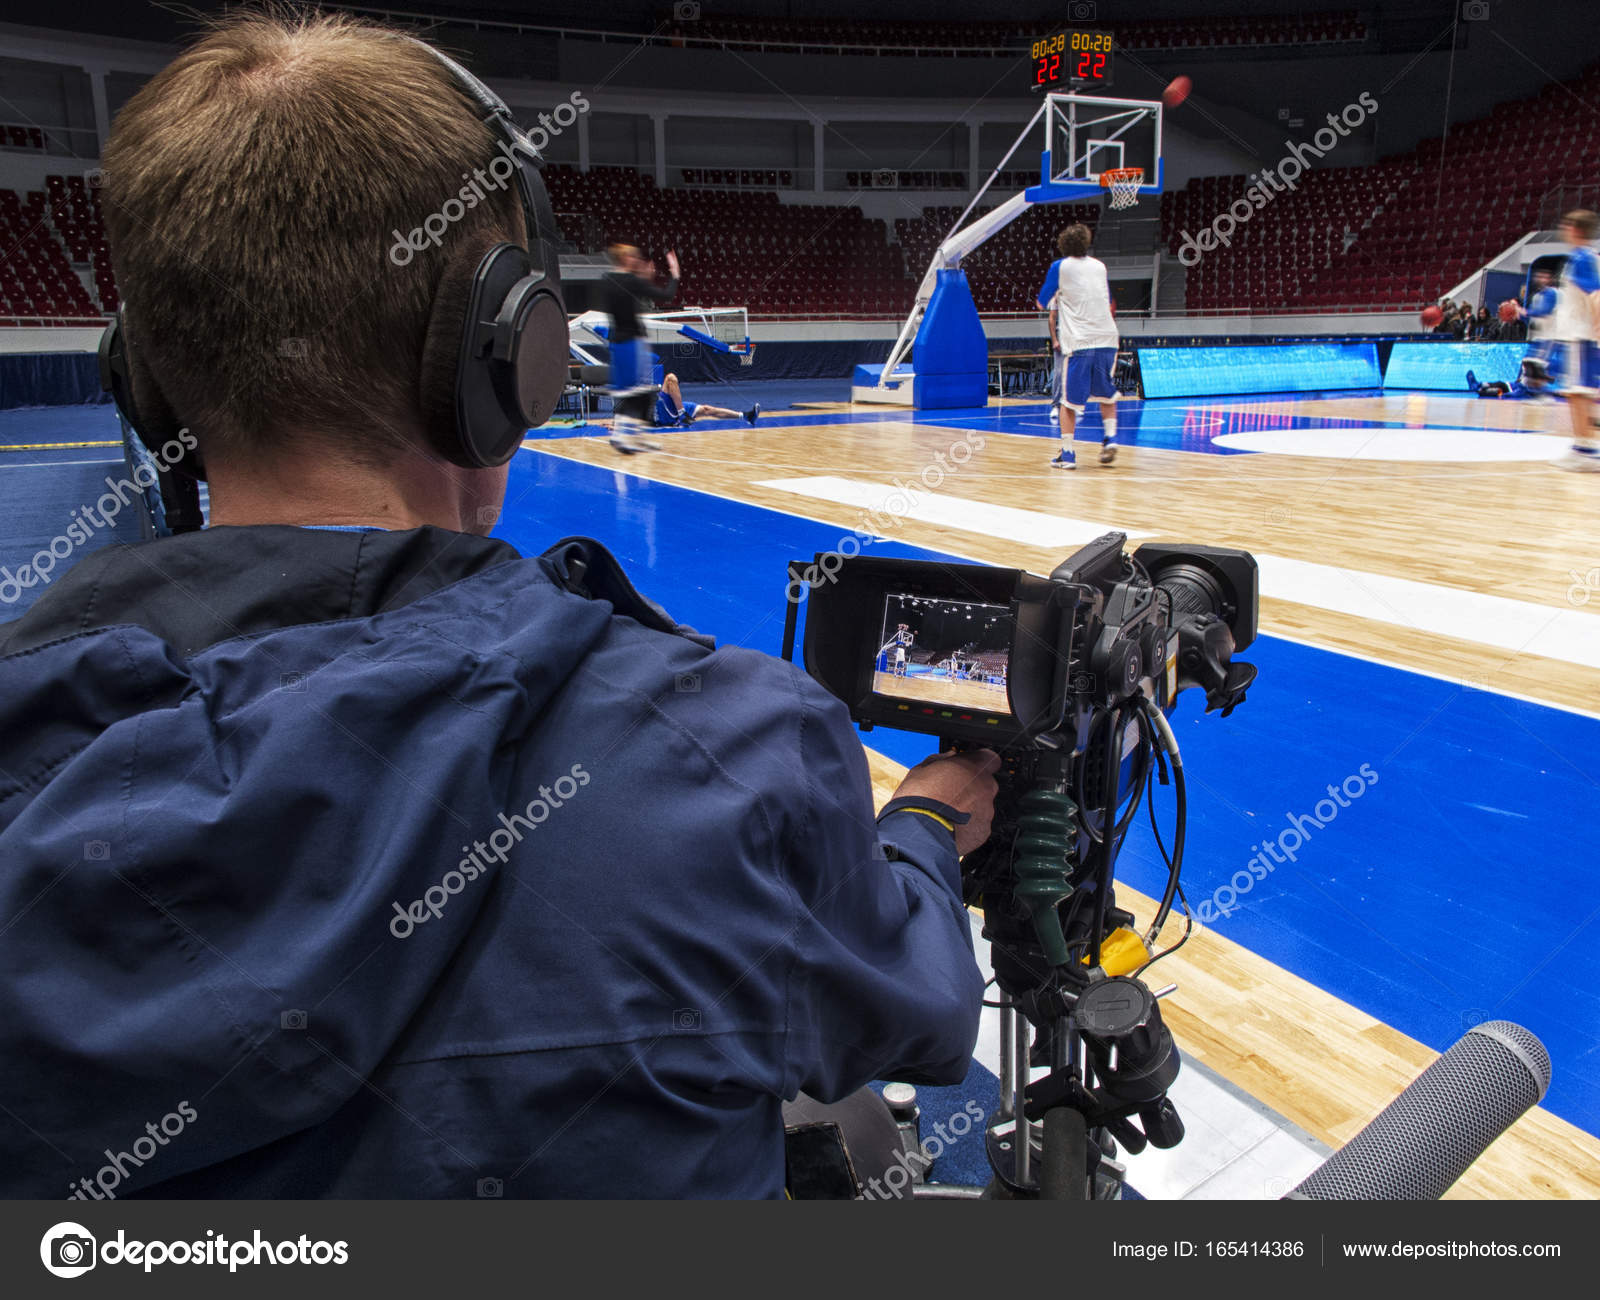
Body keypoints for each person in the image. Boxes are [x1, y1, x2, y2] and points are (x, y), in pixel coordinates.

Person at [0, 13, 995, 1200]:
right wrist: (925, 832)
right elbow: (922, 1015)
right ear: (509, 358)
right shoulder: (730, 752)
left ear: (144, 375)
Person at [1037, 223, 1118, 469]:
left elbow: (1042, 303)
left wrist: (1059, 295)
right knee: (1106, 394)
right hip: (1107, 338)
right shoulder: (1099, 267)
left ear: (1063, 245)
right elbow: (1110, 302)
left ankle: (1068, 454)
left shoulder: (1059, 267)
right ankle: (1110, 439)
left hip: (1080, 342)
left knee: (1068, 402)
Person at [600, 242, 680, 454]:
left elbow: (627, 299)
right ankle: (625, 436)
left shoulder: (607, 280)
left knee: (635, 392)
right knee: (639, 393)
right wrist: (675, 273)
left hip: (616, 341)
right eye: (633, 257)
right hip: (632, 342)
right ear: (625, 258)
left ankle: (634, 437)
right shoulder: (631, 281)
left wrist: (643, 279)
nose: (636, 260)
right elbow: (667, 295)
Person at [1550, 210, 1600, 470]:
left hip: (1582, 336)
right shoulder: (1582, 257)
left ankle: (1587, 450)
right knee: (1574, 393)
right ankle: (1582, 446)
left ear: (1575, 229)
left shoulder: (1582, 257)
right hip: (1575, 337)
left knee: (1580, 394)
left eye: (1567, 224)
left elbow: (1595, 294)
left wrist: (1598, 326)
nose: (1563, 227)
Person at [650, 372, 760, 427]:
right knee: (670, 378)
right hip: (662, 413)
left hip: (667, 406)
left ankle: (746, 416)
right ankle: (682, 414)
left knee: (707, 409)